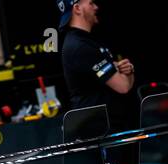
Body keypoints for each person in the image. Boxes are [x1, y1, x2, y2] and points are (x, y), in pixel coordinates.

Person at [58, 0, 136, 130]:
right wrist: (127, 72)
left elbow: (124, 82)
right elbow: (123, 87)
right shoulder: (80, 46)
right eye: (91, 3)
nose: (96, 7)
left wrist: (127, 70)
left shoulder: (87, 41)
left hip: (106, 128)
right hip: (99, 134)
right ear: (77, 9)